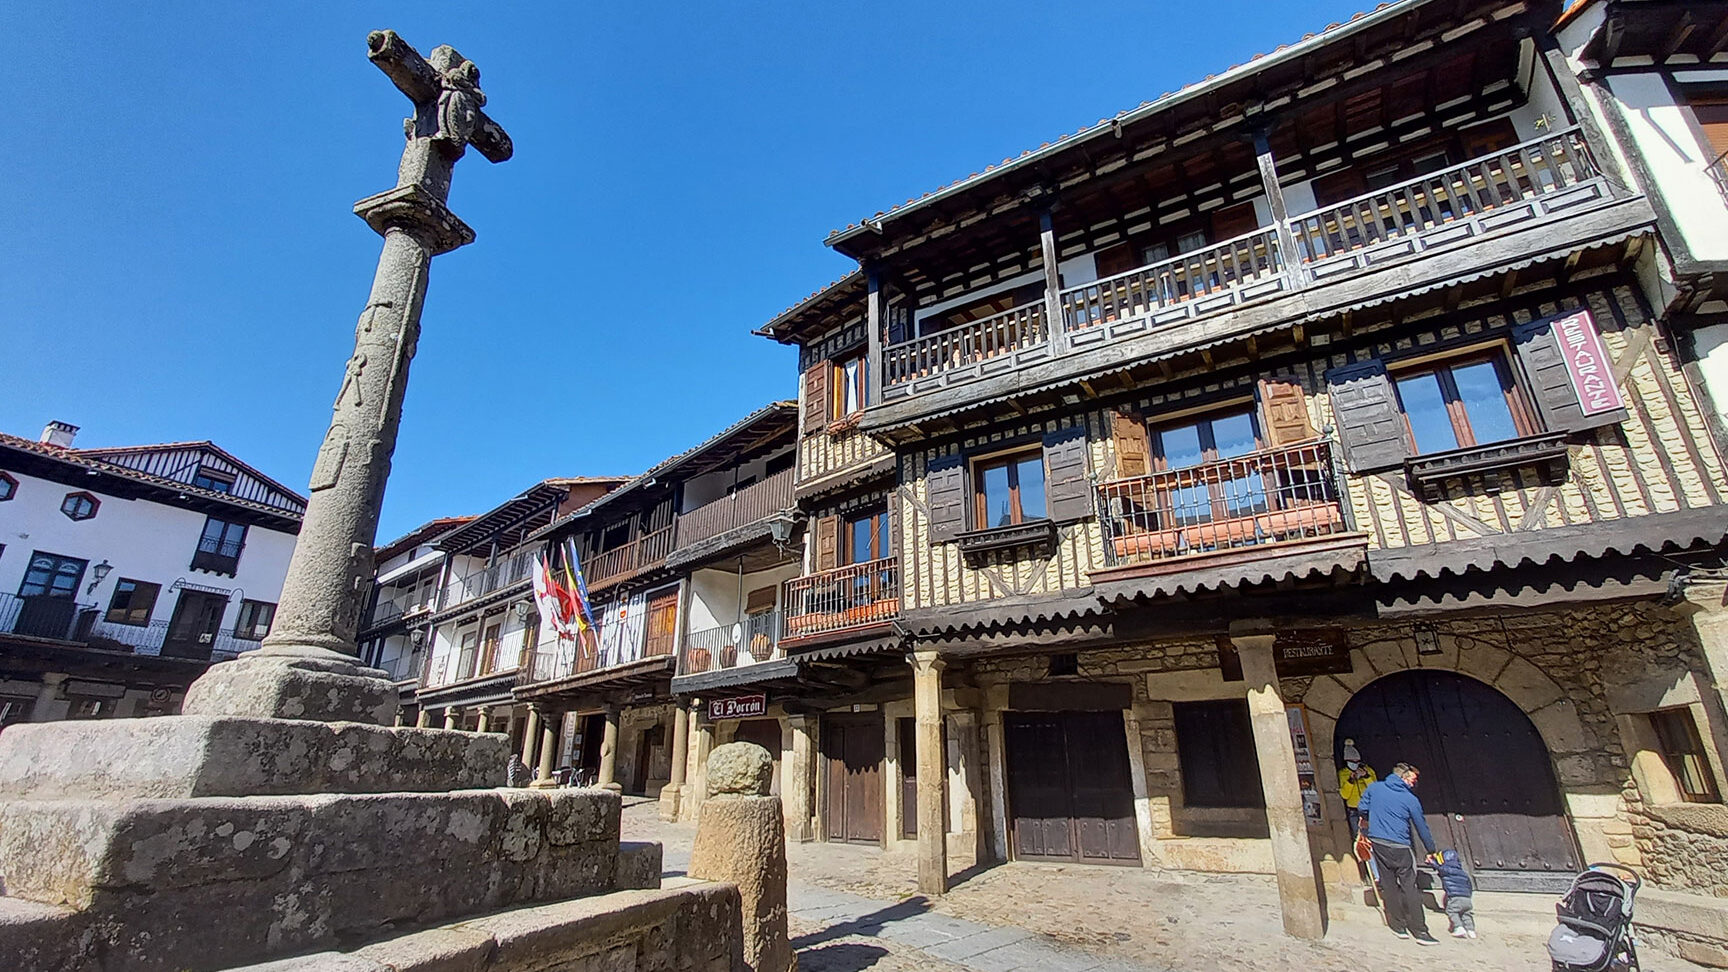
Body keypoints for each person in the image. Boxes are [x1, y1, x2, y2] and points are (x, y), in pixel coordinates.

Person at [1357, 762, 1440, 945]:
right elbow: (1421, 826)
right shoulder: (1410, 799)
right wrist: (1431, 849)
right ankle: (1420, 930)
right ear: (1403, 777)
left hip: (1379, 843)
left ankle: (1398, 926)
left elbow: (1362, 808)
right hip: (1401, 846)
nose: (1414, 783)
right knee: (1410, 886)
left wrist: (1373, 818)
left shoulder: (1374, 788)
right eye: (1413, 779)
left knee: (1389, 885)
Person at [1337, 739, 1377, 836]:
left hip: (1369, 809)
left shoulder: (1368, 770)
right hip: (1354, 810)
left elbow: (1375, 789)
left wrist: (1366, 777)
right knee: (1359, 836)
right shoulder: (1342, 774)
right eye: (1352, 761)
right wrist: (1350, 781)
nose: (1355, 763)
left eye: (1357, 761)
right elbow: (1344, 795)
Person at [1435, 849, 1476, 939]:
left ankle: (1458, 927)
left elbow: (1439, 868)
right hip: (1467, 898)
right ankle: (1471, 930)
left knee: (1452, 911)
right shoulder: (1463, 873)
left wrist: (1431, 861)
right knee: (1466, 914)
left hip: (1455, 897)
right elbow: (1469, 885)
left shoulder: (1446, 869)